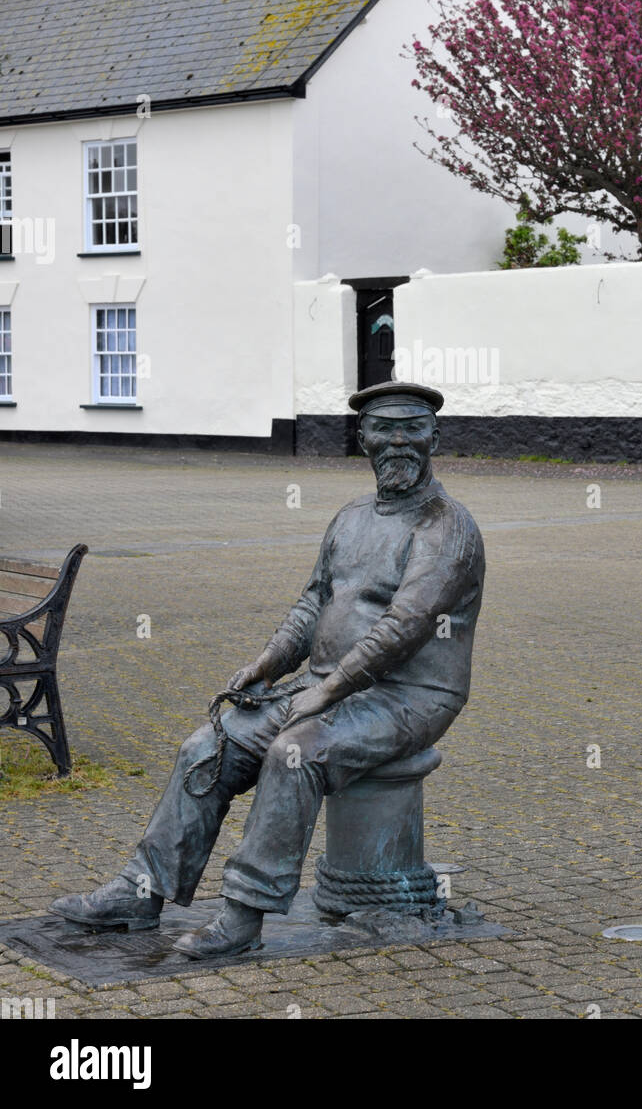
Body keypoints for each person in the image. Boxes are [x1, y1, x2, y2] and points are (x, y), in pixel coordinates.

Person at [50, 382, 485, 959]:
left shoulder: (447, 527)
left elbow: (404, 626)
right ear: (362, 438)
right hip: (330, 687)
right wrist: (269, 661)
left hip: (410, 695)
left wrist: (326, 689)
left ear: (436, 436)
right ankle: (140, 891)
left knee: (292, 754)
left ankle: (243, 914)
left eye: (413, 428)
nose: (398, 441)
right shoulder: (351, 517)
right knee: (207, 745)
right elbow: (313, 603)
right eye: (384, 429)